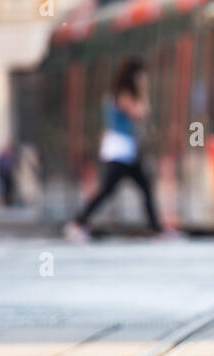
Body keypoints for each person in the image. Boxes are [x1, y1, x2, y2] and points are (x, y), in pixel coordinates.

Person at [66, 58, 161, 239]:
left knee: (144, 187)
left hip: (124, 151)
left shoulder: (115, 94)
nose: (143, 80)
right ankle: (77, 222)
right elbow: (140, 113)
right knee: (108, 190)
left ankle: (156, 228)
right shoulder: (123, 94)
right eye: (141, 76)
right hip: (120, 151)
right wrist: (144, 92)